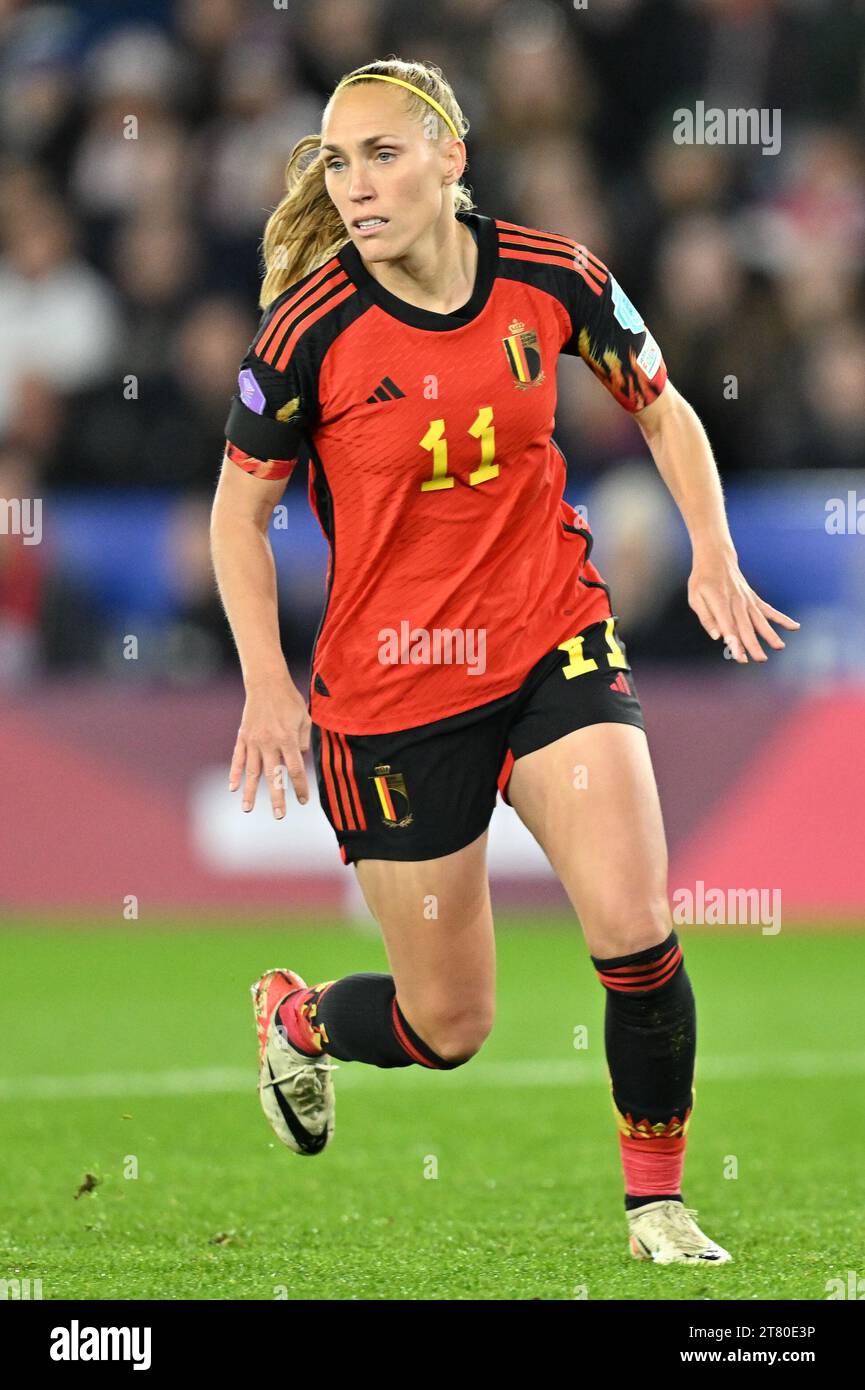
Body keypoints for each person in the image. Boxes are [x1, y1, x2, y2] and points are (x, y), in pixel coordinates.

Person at [209, 58, 799, 1266]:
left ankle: (658, 1204)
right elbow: (235, 513)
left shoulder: (553, 274)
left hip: (550, 641)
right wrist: (269, 681)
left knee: (636, 933)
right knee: (448, 1023)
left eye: (382, 154)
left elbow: (661, 404)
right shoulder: (309, 331)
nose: (357, 184)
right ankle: (301, 1020)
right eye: (337, 160)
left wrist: (712, 553)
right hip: (391, 694)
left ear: (449, 160)